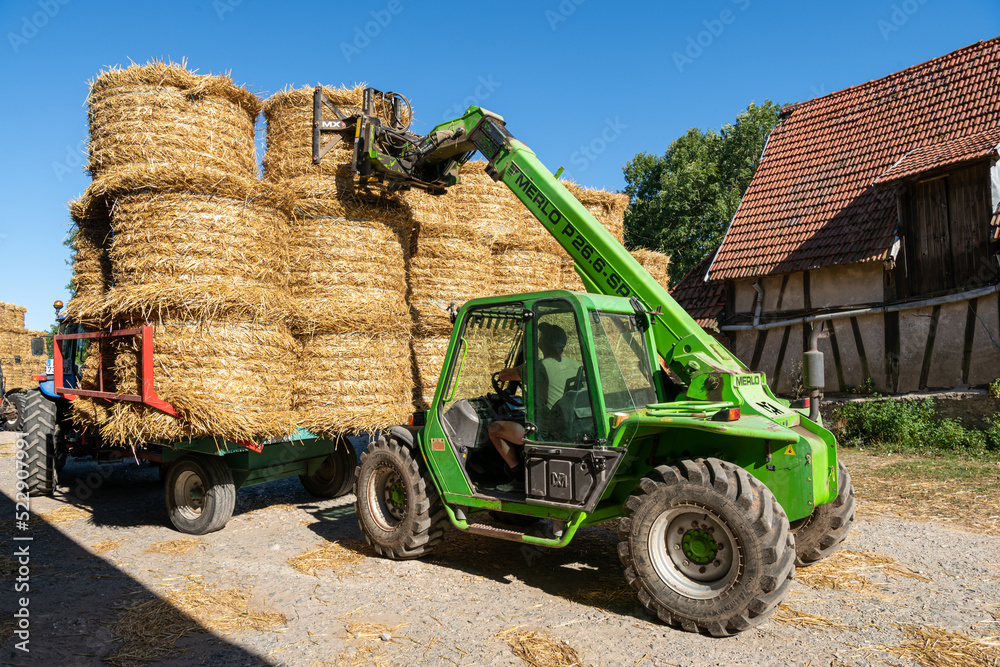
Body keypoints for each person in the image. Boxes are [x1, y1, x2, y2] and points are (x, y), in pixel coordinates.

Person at [488, 322, 581, 493]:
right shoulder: (576, 365)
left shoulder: (536, 367)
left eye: (541, 339)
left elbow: (503, 375)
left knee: (494, 428)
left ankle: (518, 477)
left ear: (543, 344)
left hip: (544, 431)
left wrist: (521, 367)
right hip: (567, 426)